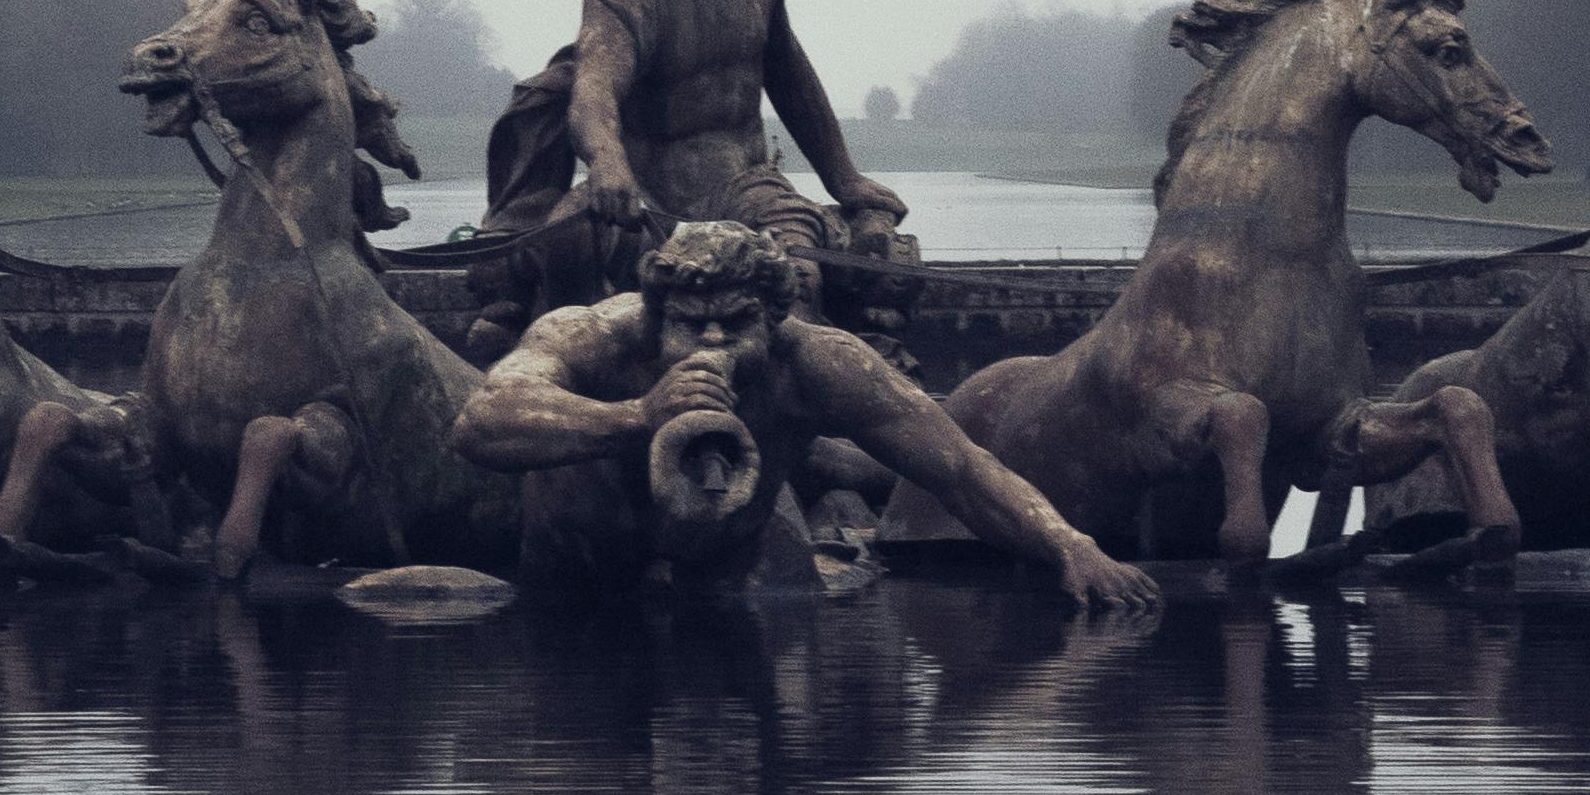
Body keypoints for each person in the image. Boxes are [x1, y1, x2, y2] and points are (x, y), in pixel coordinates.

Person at [455, 220, 1152, 607]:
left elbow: (962, 468)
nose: (713, 342)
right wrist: (637, 415)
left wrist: (1069, 545)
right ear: (656, 314)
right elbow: (482, 421)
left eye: (737, 323)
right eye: (691, 324)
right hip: (574, 581)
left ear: (775, 318)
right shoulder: (593, 334)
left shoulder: (818, 362)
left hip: (717, 586)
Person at [476, 0, 910, 313]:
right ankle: (555, 332)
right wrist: (606, 160)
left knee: (795, 269)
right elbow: (596, 84)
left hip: (744, 184)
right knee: (567, 239)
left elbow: (788, 74)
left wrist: (843, 178)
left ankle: (799, 348)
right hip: (644, 190)